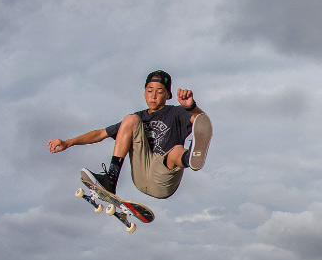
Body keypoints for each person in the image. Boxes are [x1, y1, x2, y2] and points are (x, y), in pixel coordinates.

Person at [47, 70, 212, 199]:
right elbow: (100, 134)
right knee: (130, 119)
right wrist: (69, 142)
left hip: (164, 179)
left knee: (176, 150)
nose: (153, 96)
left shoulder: (176, 113)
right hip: (141, 175)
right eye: (149, 90)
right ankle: (111, 179)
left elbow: (201, 122)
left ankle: (190, 157)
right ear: (144, 92)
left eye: (159, 91)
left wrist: (191, 107)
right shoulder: (138, 118)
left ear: (168, 94)